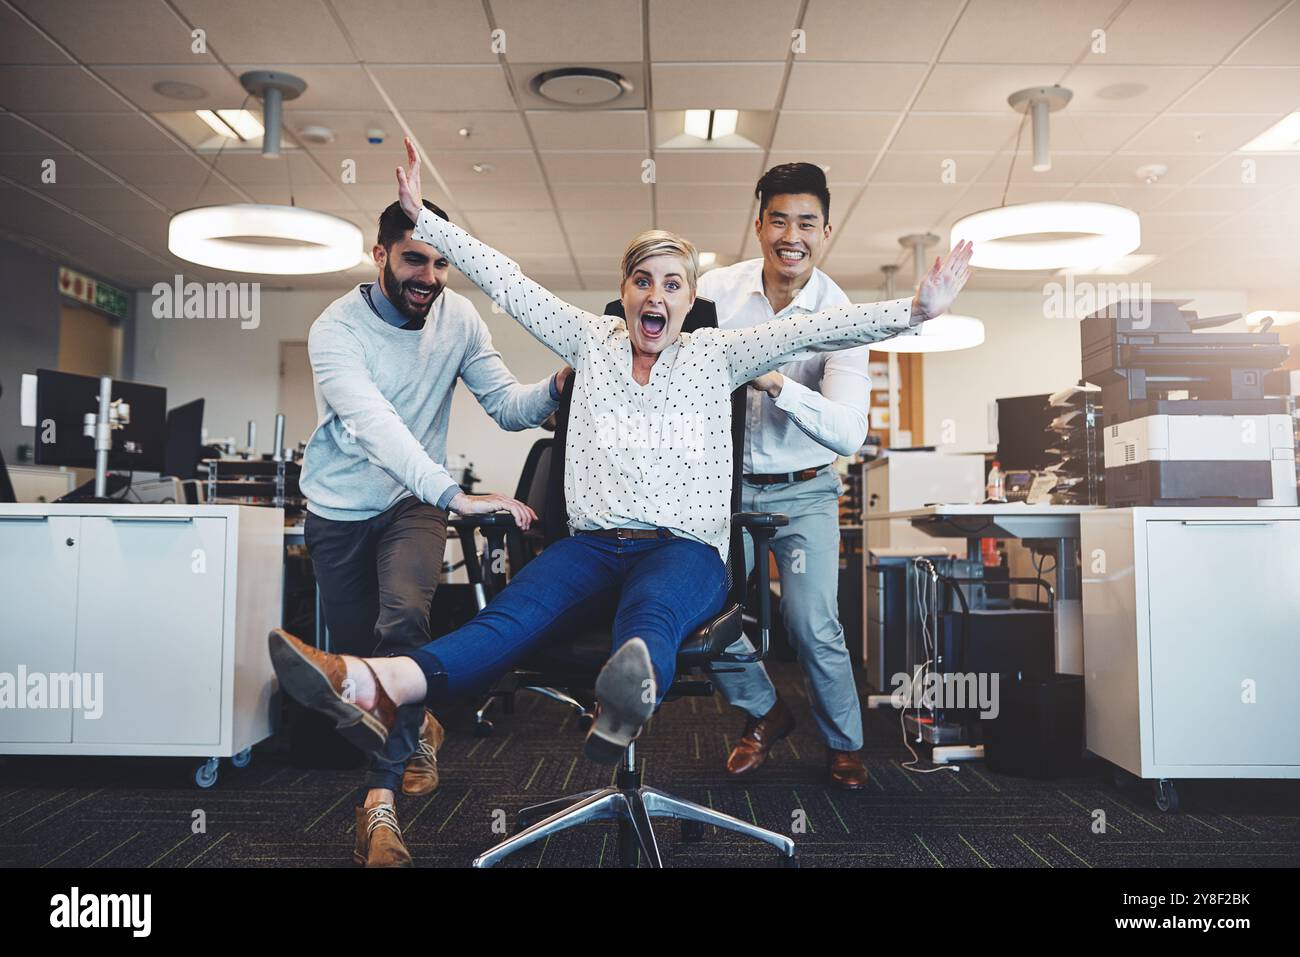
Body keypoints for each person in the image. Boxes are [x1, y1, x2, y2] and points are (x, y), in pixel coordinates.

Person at [270, 138, 974, 788]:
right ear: (625, 289)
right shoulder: (590, 339)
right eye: (643, 281)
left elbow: (826, 325)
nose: (655, 296)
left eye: (673, 285)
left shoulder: (716, 353)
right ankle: (372, 678)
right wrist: (430, 220)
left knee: (653, 617)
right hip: (593, 546)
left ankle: (625, 701)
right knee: (509, 617)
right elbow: (509, 283)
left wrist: (917, 309)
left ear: (690, 300)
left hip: (685, 549)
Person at [300, 195, 568, 867]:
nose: (430, 276)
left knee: (403, 627)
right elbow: (377, 429)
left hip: (411, 507)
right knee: (364, 664)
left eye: (442, 262)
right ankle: (420, 721)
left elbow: (508, 406)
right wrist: (457, 494)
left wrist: (558, 387)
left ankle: (378, 810)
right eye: (415, 258)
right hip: (336, 511)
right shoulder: (335, 331)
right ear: (381, 254)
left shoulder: (458, 318)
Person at [696, 162, 879, 789]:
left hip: (805, 489)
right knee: (701, 607)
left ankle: (845, 743)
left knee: (809, 621)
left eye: (806, 221)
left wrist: (775, 381)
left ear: (825, 231)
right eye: (778, 219)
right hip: (721, 488)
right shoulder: (715, 293)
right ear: (758, 225)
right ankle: (766, 713)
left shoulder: (841, 314)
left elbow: (849, 431)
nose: (791, 234)